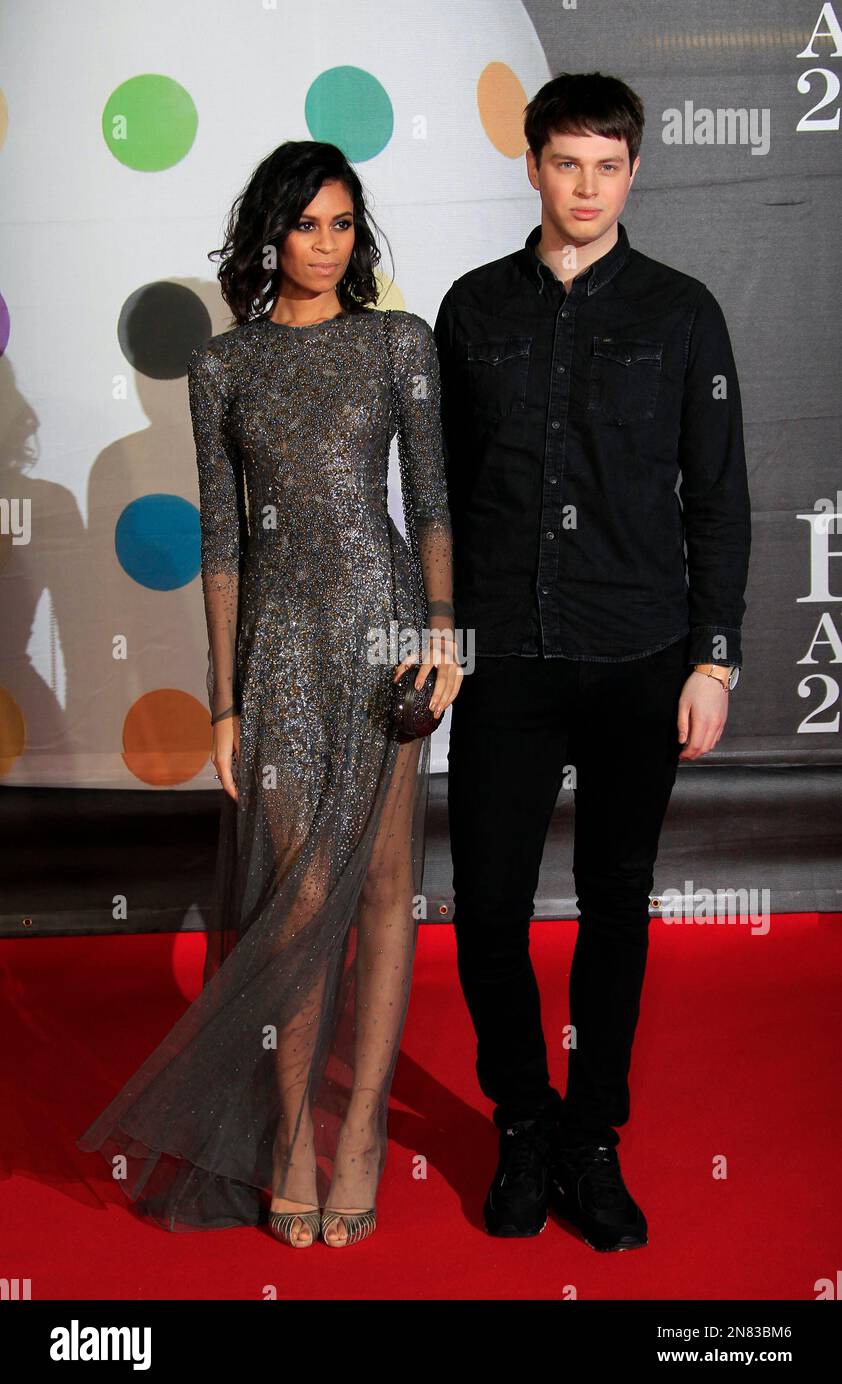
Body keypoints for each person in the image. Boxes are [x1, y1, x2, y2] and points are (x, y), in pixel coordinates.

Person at [77, 140, 462, 1249]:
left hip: (391, 635)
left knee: (386, 888)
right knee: (298, 902)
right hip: (282, 649)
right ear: (270, 233)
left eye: (343, 224)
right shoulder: (223, 366)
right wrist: (225, 703)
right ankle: (287, 1135)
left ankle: (360, 1142)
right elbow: (224, 546)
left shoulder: (400, 342)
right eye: (306, 225)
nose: (325, 245)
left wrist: (445, 642)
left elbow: (431, 504)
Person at [434, 72, 751, 1251]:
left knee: (617, 906)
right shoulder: (470, 311)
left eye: (605, 165)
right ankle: (521, 1119)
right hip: (505, 659)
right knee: (485, 909)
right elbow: (440, 501)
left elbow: (718, 497)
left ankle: (592, 1137)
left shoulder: (680, 312)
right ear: (530, 165)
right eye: (563, 162)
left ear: (633, 172)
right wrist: (439, 632)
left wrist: (712, 659)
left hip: (637, 654)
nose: (583, 186)